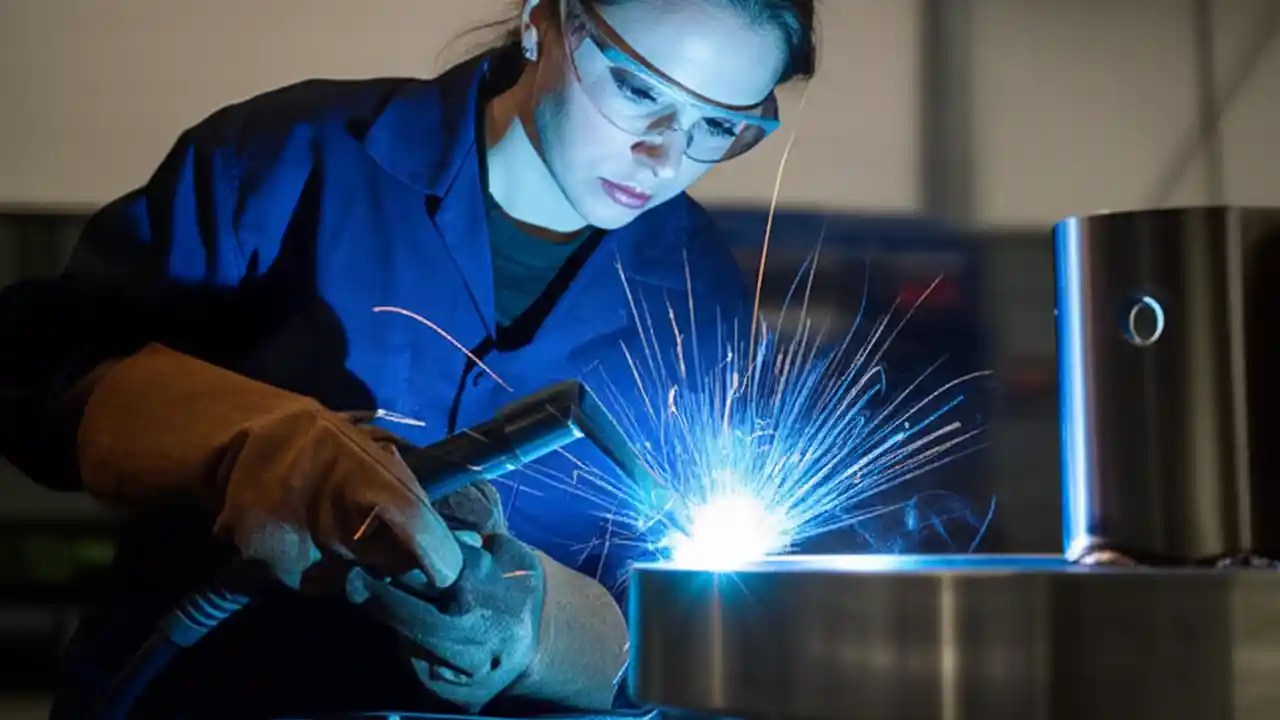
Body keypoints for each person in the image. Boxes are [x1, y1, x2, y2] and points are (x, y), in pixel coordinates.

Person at [0, 0, 818, 716]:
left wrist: (553, 633)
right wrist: (238, 440)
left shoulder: (695, 284)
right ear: (544, 19)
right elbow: (36, 373)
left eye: (719, 124)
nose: (666, 155)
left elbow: (703, 590)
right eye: (638, 89)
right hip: (206, 696)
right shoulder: (290, 160)